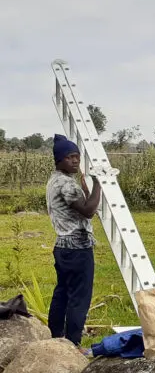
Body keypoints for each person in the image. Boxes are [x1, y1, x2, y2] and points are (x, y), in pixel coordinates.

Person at [46, 134, 101, 348]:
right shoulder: (66, 184)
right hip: (77, 248)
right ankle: (73, 344)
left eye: (77, 156)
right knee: (79, 297)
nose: (75, 160)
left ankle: (56, 338)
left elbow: (78, 208)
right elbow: (88, 211)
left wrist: (86, 192)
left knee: (62, 293)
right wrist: (99, 183)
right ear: (59, 160)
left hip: (63, 247)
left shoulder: (55, 180)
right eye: (70, 157)